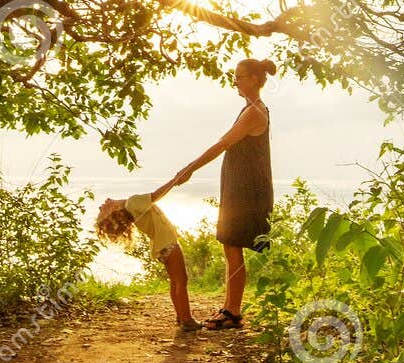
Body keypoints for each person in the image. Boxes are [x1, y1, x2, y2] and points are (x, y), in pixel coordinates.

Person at [166, 57, 274, 330]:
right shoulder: (249, 109)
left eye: (239, 76)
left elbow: (222, 144)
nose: (234, 81)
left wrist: (191, 168)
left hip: (248, 191)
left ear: (253, 80)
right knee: (230, 246)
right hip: (239, 187)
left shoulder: (255, 112)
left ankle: (233, 311)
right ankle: (229, 308)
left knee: (233, 245)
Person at [95, 180, 202, 331]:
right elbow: (155, 195)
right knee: (181, 280)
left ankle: (181, 316)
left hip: (161, 246)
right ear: (114, 210)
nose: (101, 205)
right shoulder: (132, 203)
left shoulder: (131, 209)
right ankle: (187, 319)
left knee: (175, 281)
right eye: (102, 210)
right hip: (168, 243)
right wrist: (175, 180)